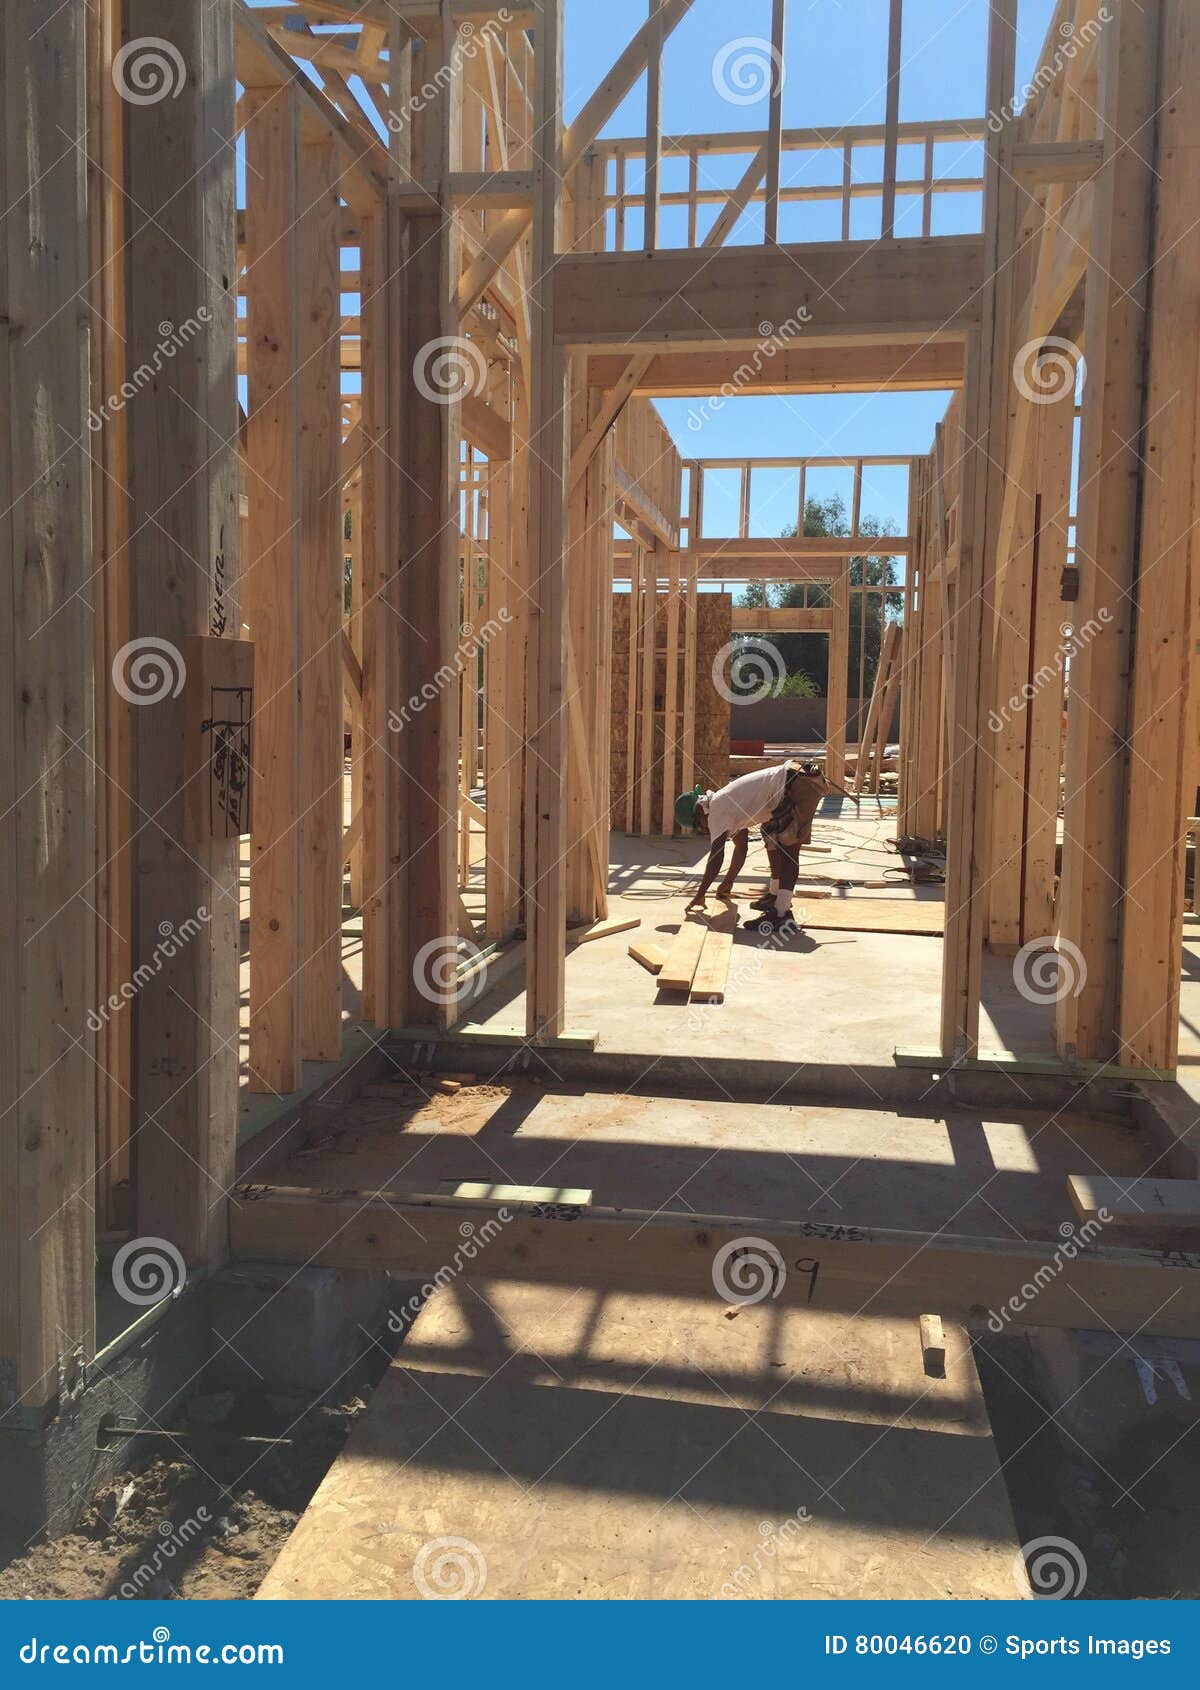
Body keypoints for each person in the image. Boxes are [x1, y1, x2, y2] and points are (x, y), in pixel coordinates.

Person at [675, 760, 831, 930]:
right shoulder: (726, 805)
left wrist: (700, 894)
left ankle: (782, 914)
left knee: (788, 849)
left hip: (798, 785)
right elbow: (741, 848)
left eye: (699, 825)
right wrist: (728, 882)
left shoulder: (717, 811)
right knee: (769, 832)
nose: (704, 829)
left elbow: (716, 856)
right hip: (792, 782)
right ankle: (775, 894)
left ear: (699, 812)